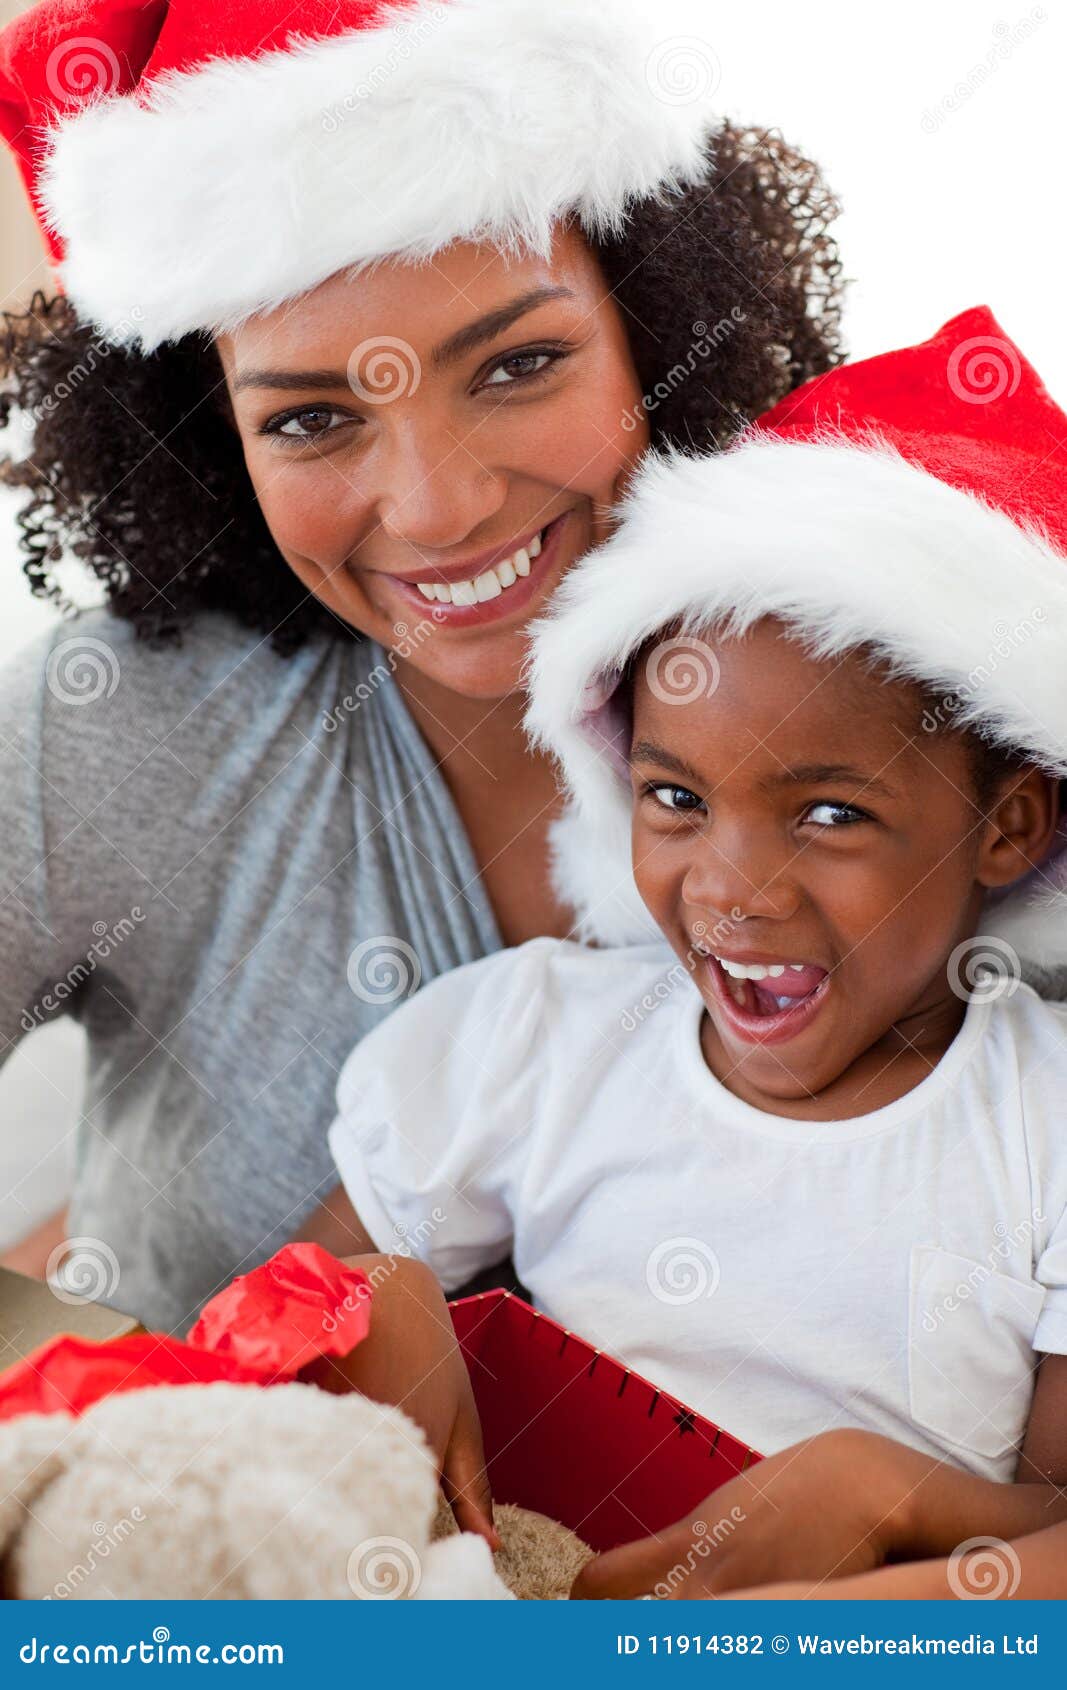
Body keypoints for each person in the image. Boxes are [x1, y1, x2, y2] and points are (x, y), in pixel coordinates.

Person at [0, 0, 843, 1329]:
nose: (437, 507)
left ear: (652, 319)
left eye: (514, 364)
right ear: (214, 436)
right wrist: (114, 1449)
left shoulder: (898, 685)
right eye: (314, 418)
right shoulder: (119, 726)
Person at [299, 308, 1067, 1589]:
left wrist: (877, 1493)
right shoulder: (531, 1038)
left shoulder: (1041, 1122)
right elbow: (300, 1295)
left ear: (1006, 825)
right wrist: (381, 1299)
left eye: (831, 813)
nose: (729, 887)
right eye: (675, 799)